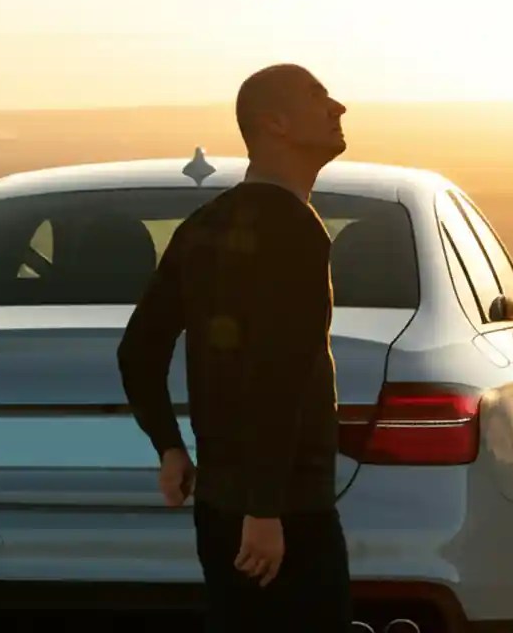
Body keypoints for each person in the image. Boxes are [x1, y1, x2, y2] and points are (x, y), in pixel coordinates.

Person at [117, 63, 351, 632]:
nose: (338, 107)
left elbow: (138, 349)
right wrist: (266, 510)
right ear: (276, 124)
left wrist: (170, 449)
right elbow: (280, 372)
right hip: (282, 515)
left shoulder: (203, 224)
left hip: (221, 510)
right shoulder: (295, 230)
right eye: (318, 96)